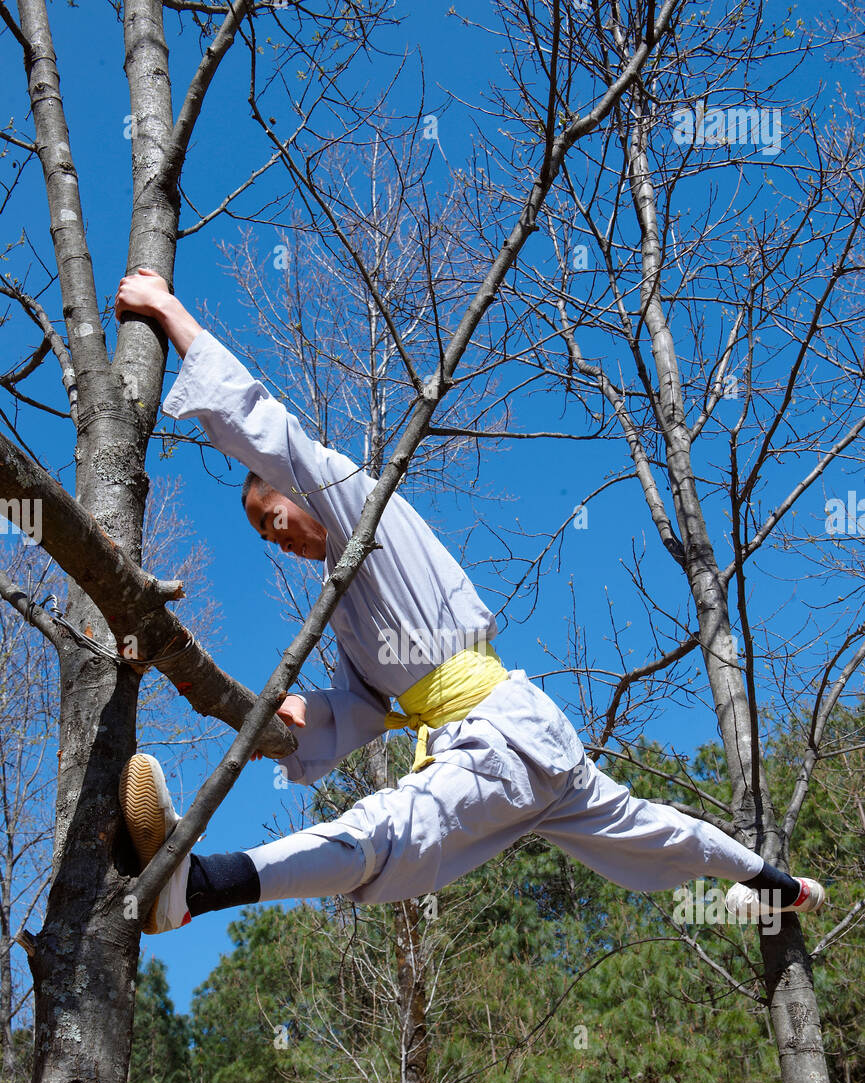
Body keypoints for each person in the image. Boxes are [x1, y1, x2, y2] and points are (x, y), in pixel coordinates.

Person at [113, 268, 825, 935]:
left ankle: (196, 886)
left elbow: (263, 424)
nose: (278, 541)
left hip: (499, 738)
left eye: (272, 521)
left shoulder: (353, 499)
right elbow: (368, 708)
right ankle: (777, 885)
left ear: (298, 493)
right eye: (266, 539)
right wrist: (312, 713)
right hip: (529, 743)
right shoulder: (351, 602)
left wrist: (169, 312)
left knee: (385, 835)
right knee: (653, 831)